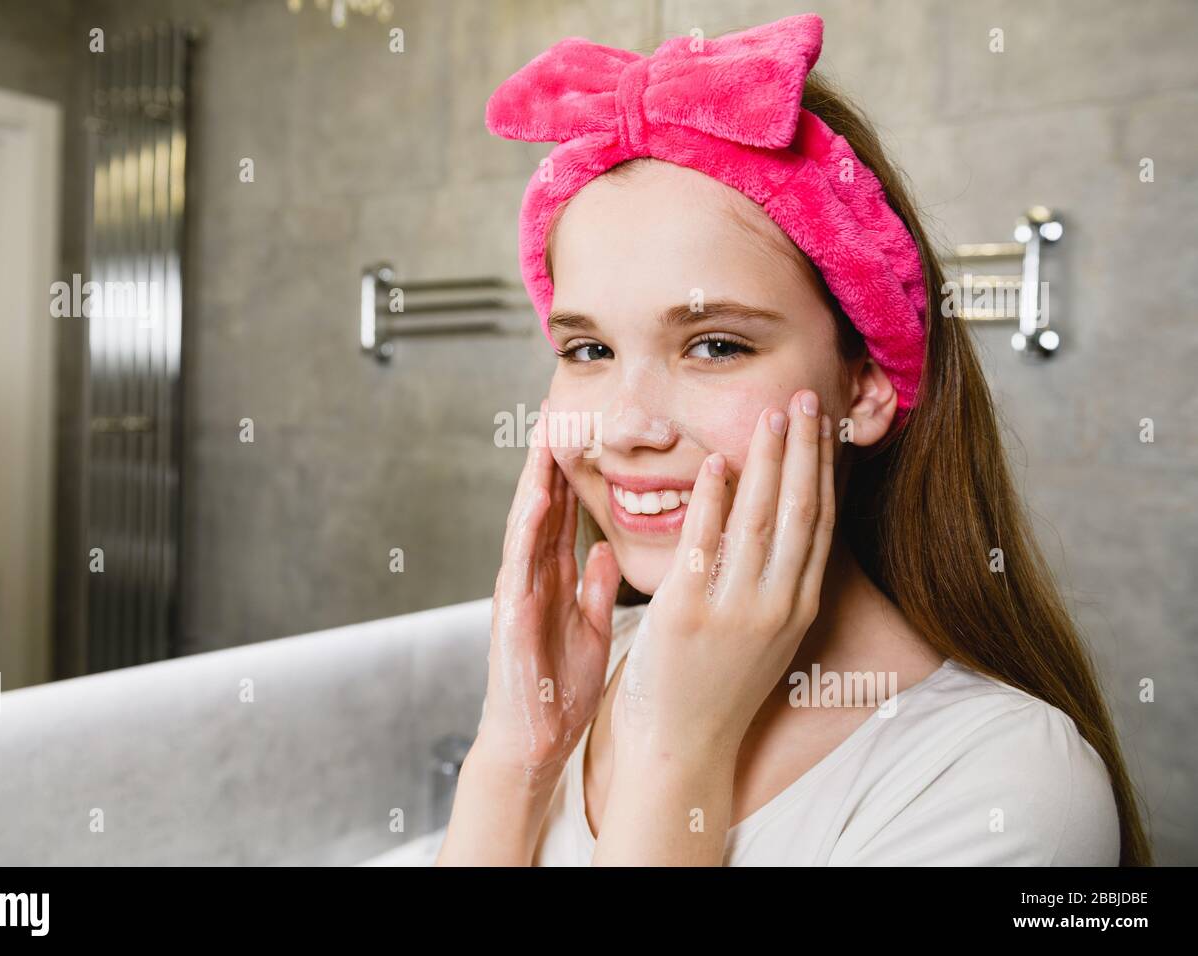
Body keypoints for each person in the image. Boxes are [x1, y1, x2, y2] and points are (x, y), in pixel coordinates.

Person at [437, 14, 1149, 866]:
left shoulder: (1009, 784)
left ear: (867, 383)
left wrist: (677, 757)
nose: (624, 428)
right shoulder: (576, 684)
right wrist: (512, 762)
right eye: (589, 350)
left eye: (714, 345)